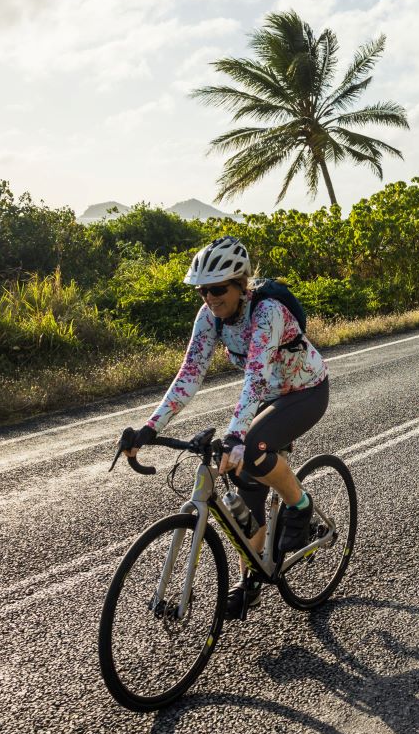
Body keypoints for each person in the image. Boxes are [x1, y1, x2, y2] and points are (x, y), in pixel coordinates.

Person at [123, 236, 329, 619]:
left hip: (305, 390)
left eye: (218, 289)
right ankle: (251, 576)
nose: (210, 299)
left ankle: (300, 506)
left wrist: (236, 435)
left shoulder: (266, 312)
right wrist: (151, 426)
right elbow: (189, 374)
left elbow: (253, 376)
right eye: (203, 291)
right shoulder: (209, 317)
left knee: (251, 449)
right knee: (243, 485)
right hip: (268, 394)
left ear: (241, 284)